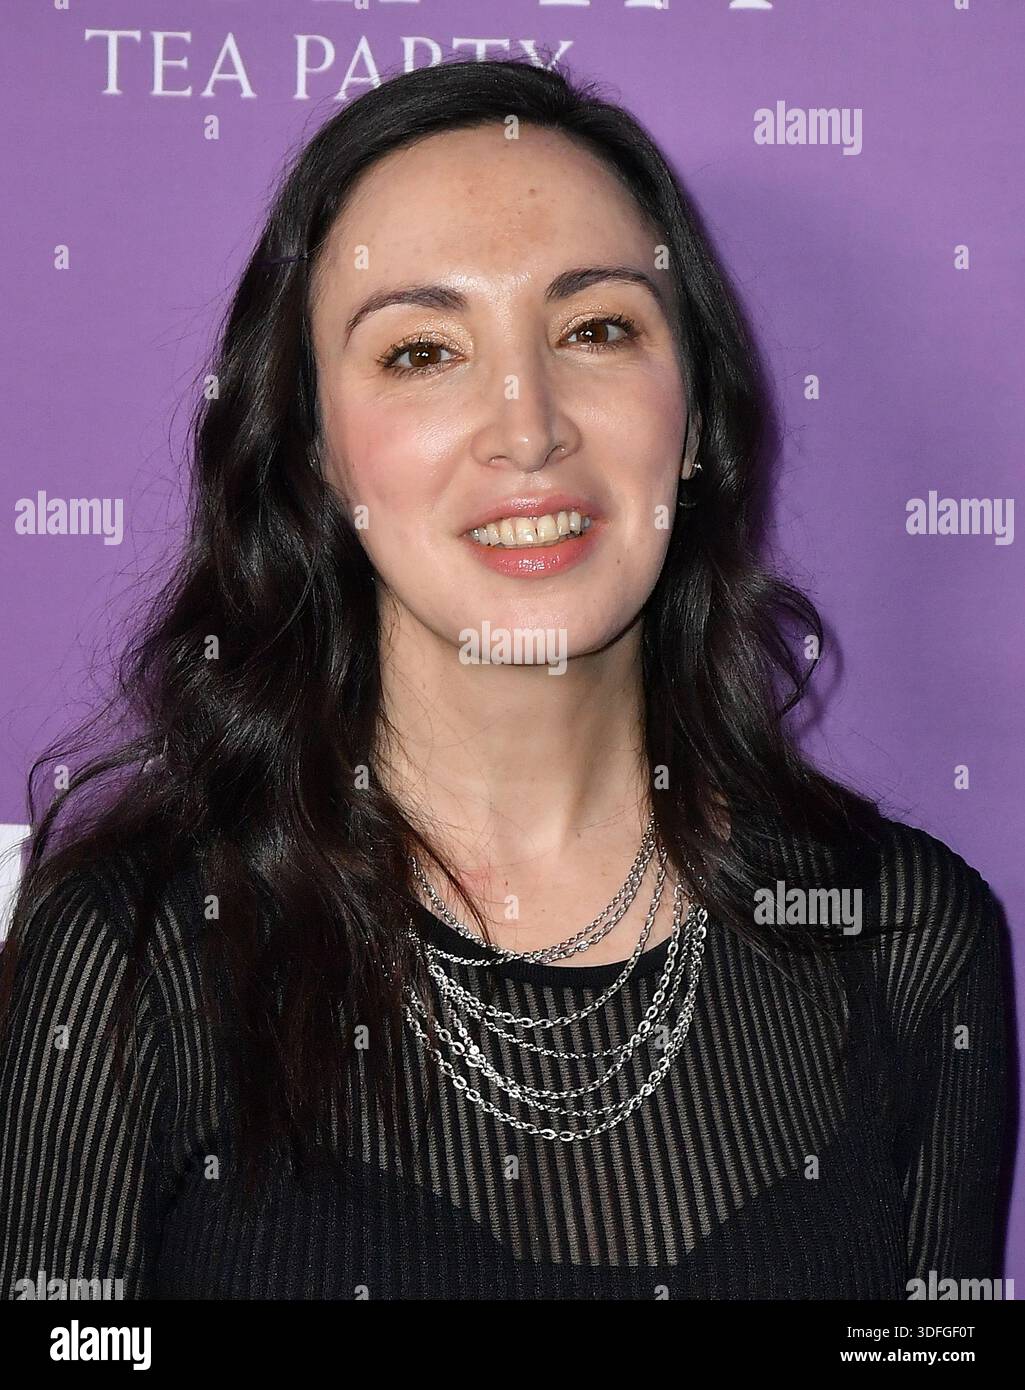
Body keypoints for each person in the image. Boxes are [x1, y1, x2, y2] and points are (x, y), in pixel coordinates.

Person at [0, 56, 1009, 1301]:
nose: (526, 427)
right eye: (422, 351)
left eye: (595, 328)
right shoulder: (132, 957)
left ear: (689, 419)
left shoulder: (902, 941)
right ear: (316, 455)